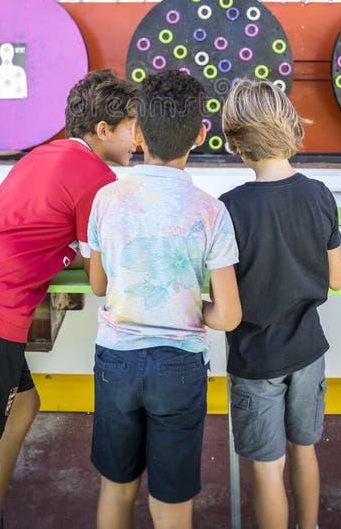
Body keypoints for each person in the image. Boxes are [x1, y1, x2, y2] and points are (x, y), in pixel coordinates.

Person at [0, 69, 138, 529]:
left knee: (22, 407)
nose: (138, 139)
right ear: (104, 129)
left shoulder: (47, 154)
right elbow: (99, 278)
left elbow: (41, 234)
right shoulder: (98, 179)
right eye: (132, 126)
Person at [88, 69, 242, 529]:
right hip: (179, 366)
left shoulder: (106, 199)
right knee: (171, 500)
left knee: (116, 488)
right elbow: (228, 315)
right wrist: (189, 306)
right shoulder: (212, 212)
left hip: (116, 361)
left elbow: (99, 285)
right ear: (200, 134)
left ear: (137, 132)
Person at [219, 79, 341, 529]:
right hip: (308, 351)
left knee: (267, 468)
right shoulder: (319, 194)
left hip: (256, 358)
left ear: (236, 141)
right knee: (304, 450)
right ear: (290, 126)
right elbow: (337, 278)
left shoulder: (229, 208)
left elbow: (223, 292)